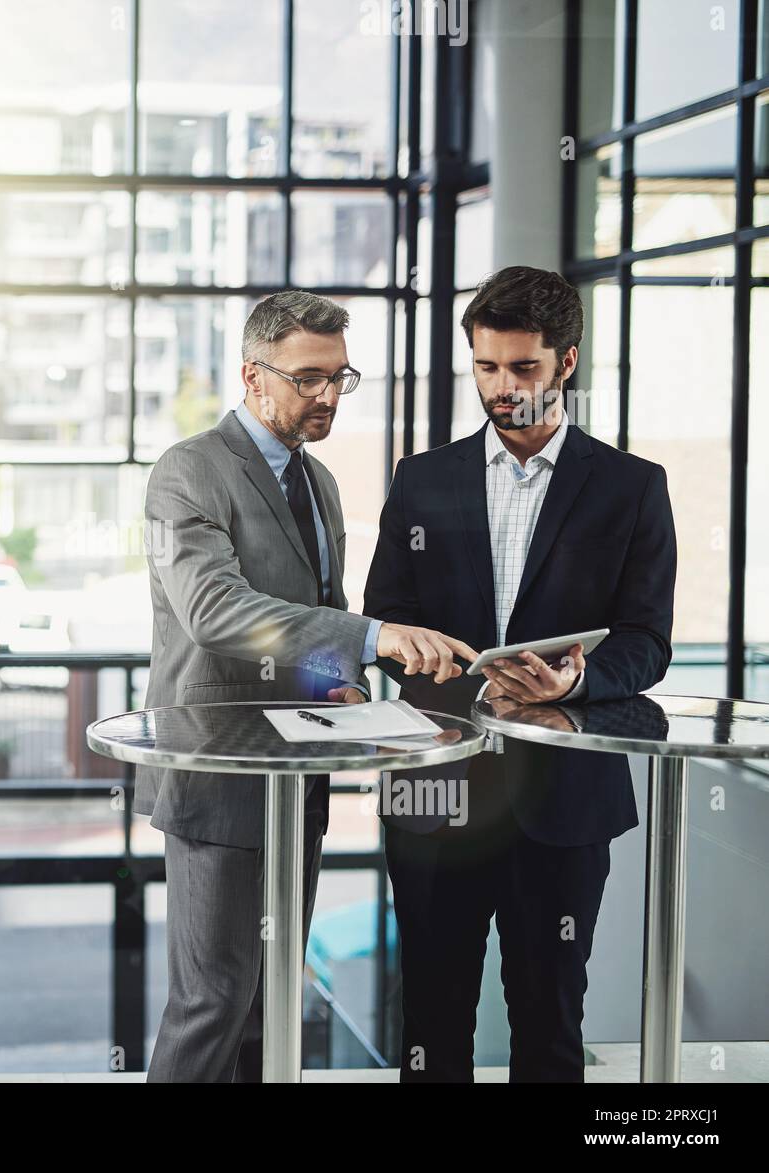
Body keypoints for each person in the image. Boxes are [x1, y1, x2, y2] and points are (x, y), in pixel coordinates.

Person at [137, 289, 477, 1082]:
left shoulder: (318, 483)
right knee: (212, 1000)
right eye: (308, 378)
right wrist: (371, 635)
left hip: (299, 782)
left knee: (271, 999)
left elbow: (311, 616)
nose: (328, 396)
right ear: (253, 375)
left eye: (340, 377)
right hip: (219, 779)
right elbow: (216, 611)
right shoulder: (188, 472)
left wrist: (342, 681)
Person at [363, 265, 678, 1081]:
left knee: (548, 1026)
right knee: (431, 1027)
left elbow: (648, 640)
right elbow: (384, 617)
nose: (502, 388)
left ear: (566, 361)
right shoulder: (420, 481)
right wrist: (409, 651)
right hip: (435, 792)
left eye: (523, 368)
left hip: (564, 796)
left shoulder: (631, 488)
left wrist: (572, 684)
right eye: (486, 367)